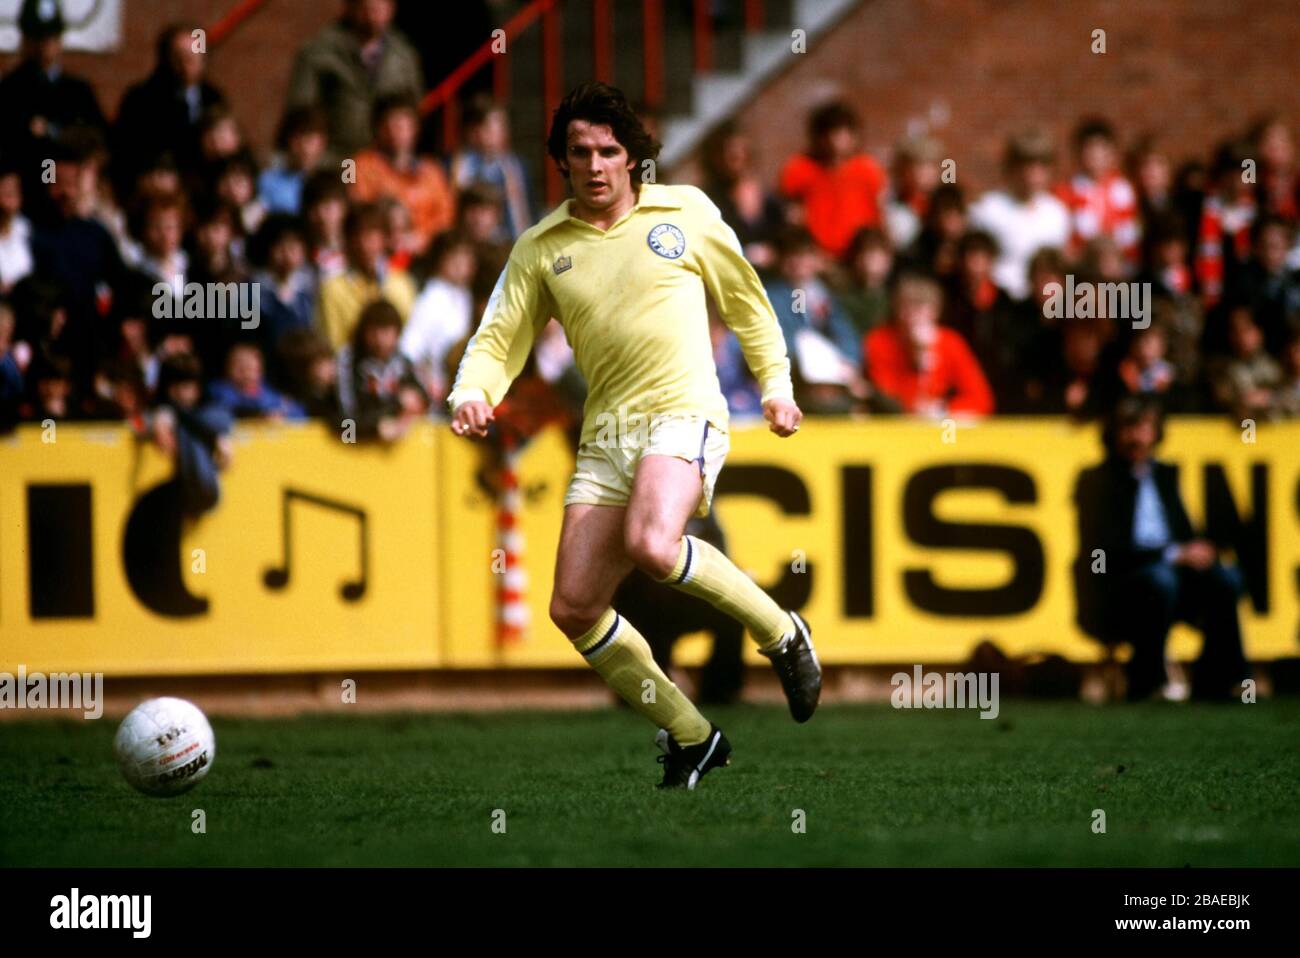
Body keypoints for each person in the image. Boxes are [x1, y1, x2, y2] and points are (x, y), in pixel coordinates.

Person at [447, 82, 819, 790]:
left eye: (608, 151)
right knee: (574, 607)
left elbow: (748, 304)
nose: (594, 164)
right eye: (579, 152)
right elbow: (499, 338)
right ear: (561, 160)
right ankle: (692, 735)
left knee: (653, 544)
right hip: (606, 436)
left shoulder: (688, 211)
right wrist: (473, 392)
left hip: (684, 410)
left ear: (633, 158)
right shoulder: (541, 248)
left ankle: (780, 632)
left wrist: (776, 387)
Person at [1073, 396, 1250, 701]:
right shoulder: (1096, 481)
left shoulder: (1166, 476)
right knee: (1160, 579)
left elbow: (1183, 531)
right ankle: (1146, 679)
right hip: (1119, 586)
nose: (1136, 438)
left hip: (1174, 577)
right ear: (1114, 433)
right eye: (1128, 428)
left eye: (1144, 428)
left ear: (1156, 433)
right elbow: (1102, 551)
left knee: (1226, 577)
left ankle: (1221, 679)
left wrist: (1199, 550)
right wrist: (1170, 555)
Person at [285, 0, 424, 163]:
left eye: (381, 5)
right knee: (344, 185)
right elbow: (301, 110)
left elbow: (416, 106)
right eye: (367, 5)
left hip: (386, 163)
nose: (373, 12)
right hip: (341, 158)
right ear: (352, 6)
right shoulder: (320, 51)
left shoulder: (403, 56)